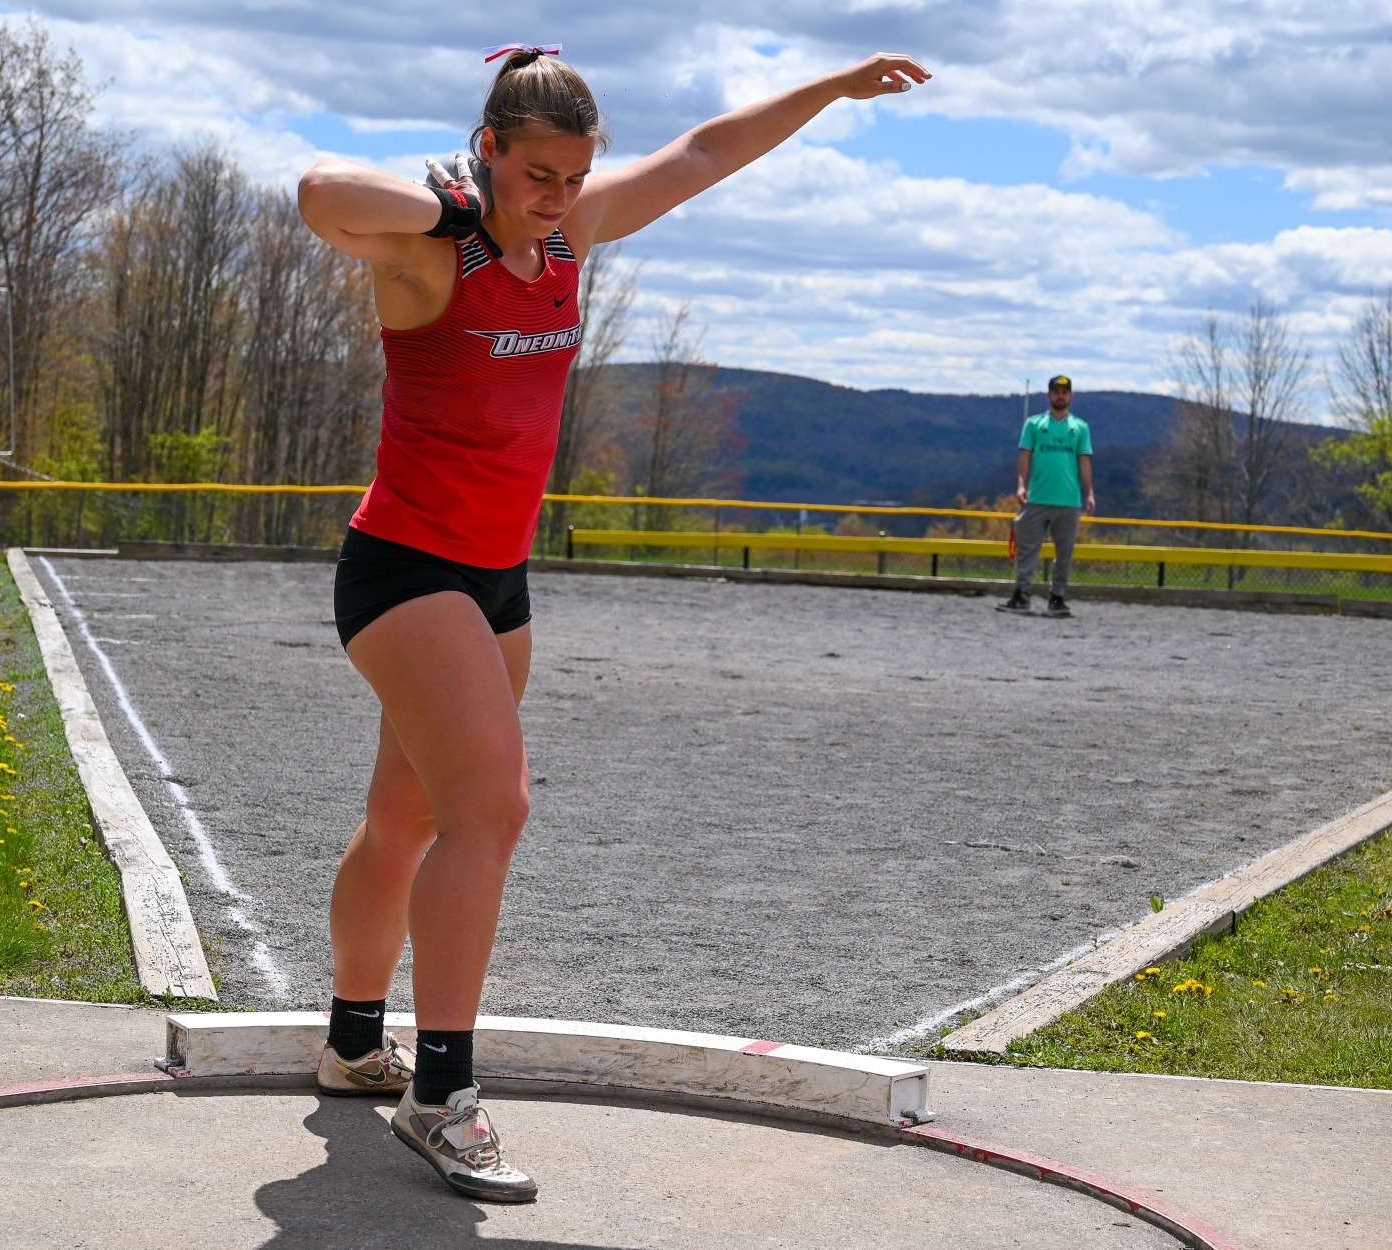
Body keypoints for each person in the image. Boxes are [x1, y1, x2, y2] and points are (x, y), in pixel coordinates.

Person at [295, 45, 930, 1203]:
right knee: (492, 808)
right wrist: (451, 203)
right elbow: (319, 192)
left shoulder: (570, 237)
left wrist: (830, 87)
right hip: (404, 570)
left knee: (405, 817)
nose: (558, 197)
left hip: (495, 582)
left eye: (575, 176)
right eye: (536, 173)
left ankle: (350, 1043)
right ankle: (440, 1093)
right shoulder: (433, 251)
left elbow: (703, 151)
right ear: (488, 148)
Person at [998, 374, 1094, 617]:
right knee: (1027, 550)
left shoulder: (1080, 427)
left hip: (1068, 499)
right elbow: (1024, 457)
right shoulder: (1033, 424)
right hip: (1037, 497)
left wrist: (1089, 492)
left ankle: (1057, 598)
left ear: (1071, 395)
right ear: (1049, 394)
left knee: (1065, 553)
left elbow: (1084, 461)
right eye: (1056, 392)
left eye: (1064, 392)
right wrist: (1021, 485)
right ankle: (1021, 596)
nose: (1060, 396)